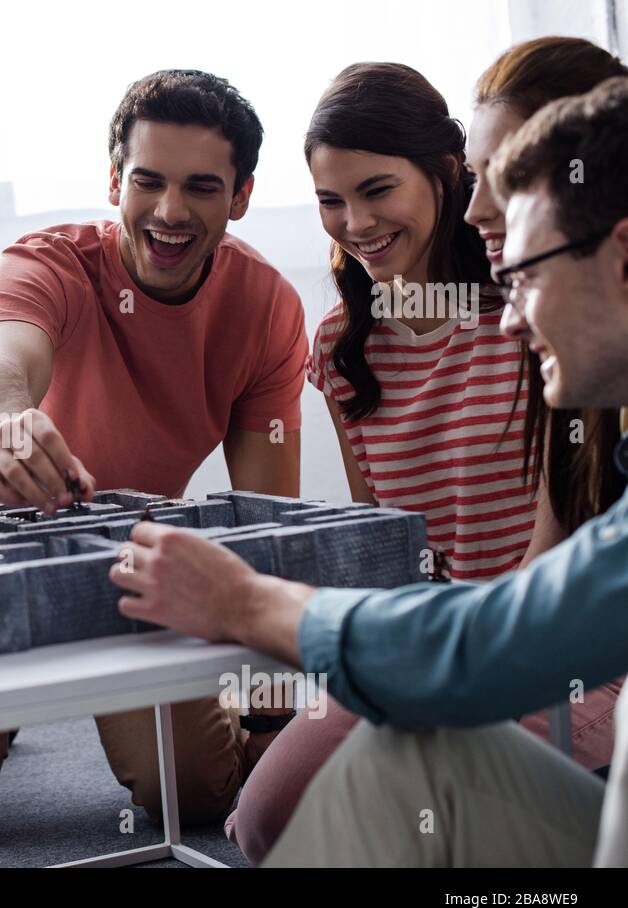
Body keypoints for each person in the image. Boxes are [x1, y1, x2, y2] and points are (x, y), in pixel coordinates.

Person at [113, 76, 628, 866]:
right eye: (332, 199)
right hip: (429, 628)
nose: (357, 223)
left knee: (400, 781)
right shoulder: (341, 347)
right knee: (263, 817)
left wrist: (266, 611)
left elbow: (542, 597)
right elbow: (388, 550)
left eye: (378, 189)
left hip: (544, 641)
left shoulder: (539, 321)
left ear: (447, 172)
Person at [0, 69, 310, 837]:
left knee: (200, 794)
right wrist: (6, 421)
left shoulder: (267, 307)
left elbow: (267, 524)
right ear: (115, 180)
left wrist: (271, 710)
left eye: (201, 188)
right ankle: (5, 702)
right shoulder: (44, 263)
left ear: (240, 196)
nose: (170, 212)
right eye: (148, 181)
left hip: (136, 569)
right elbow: (0, 370)